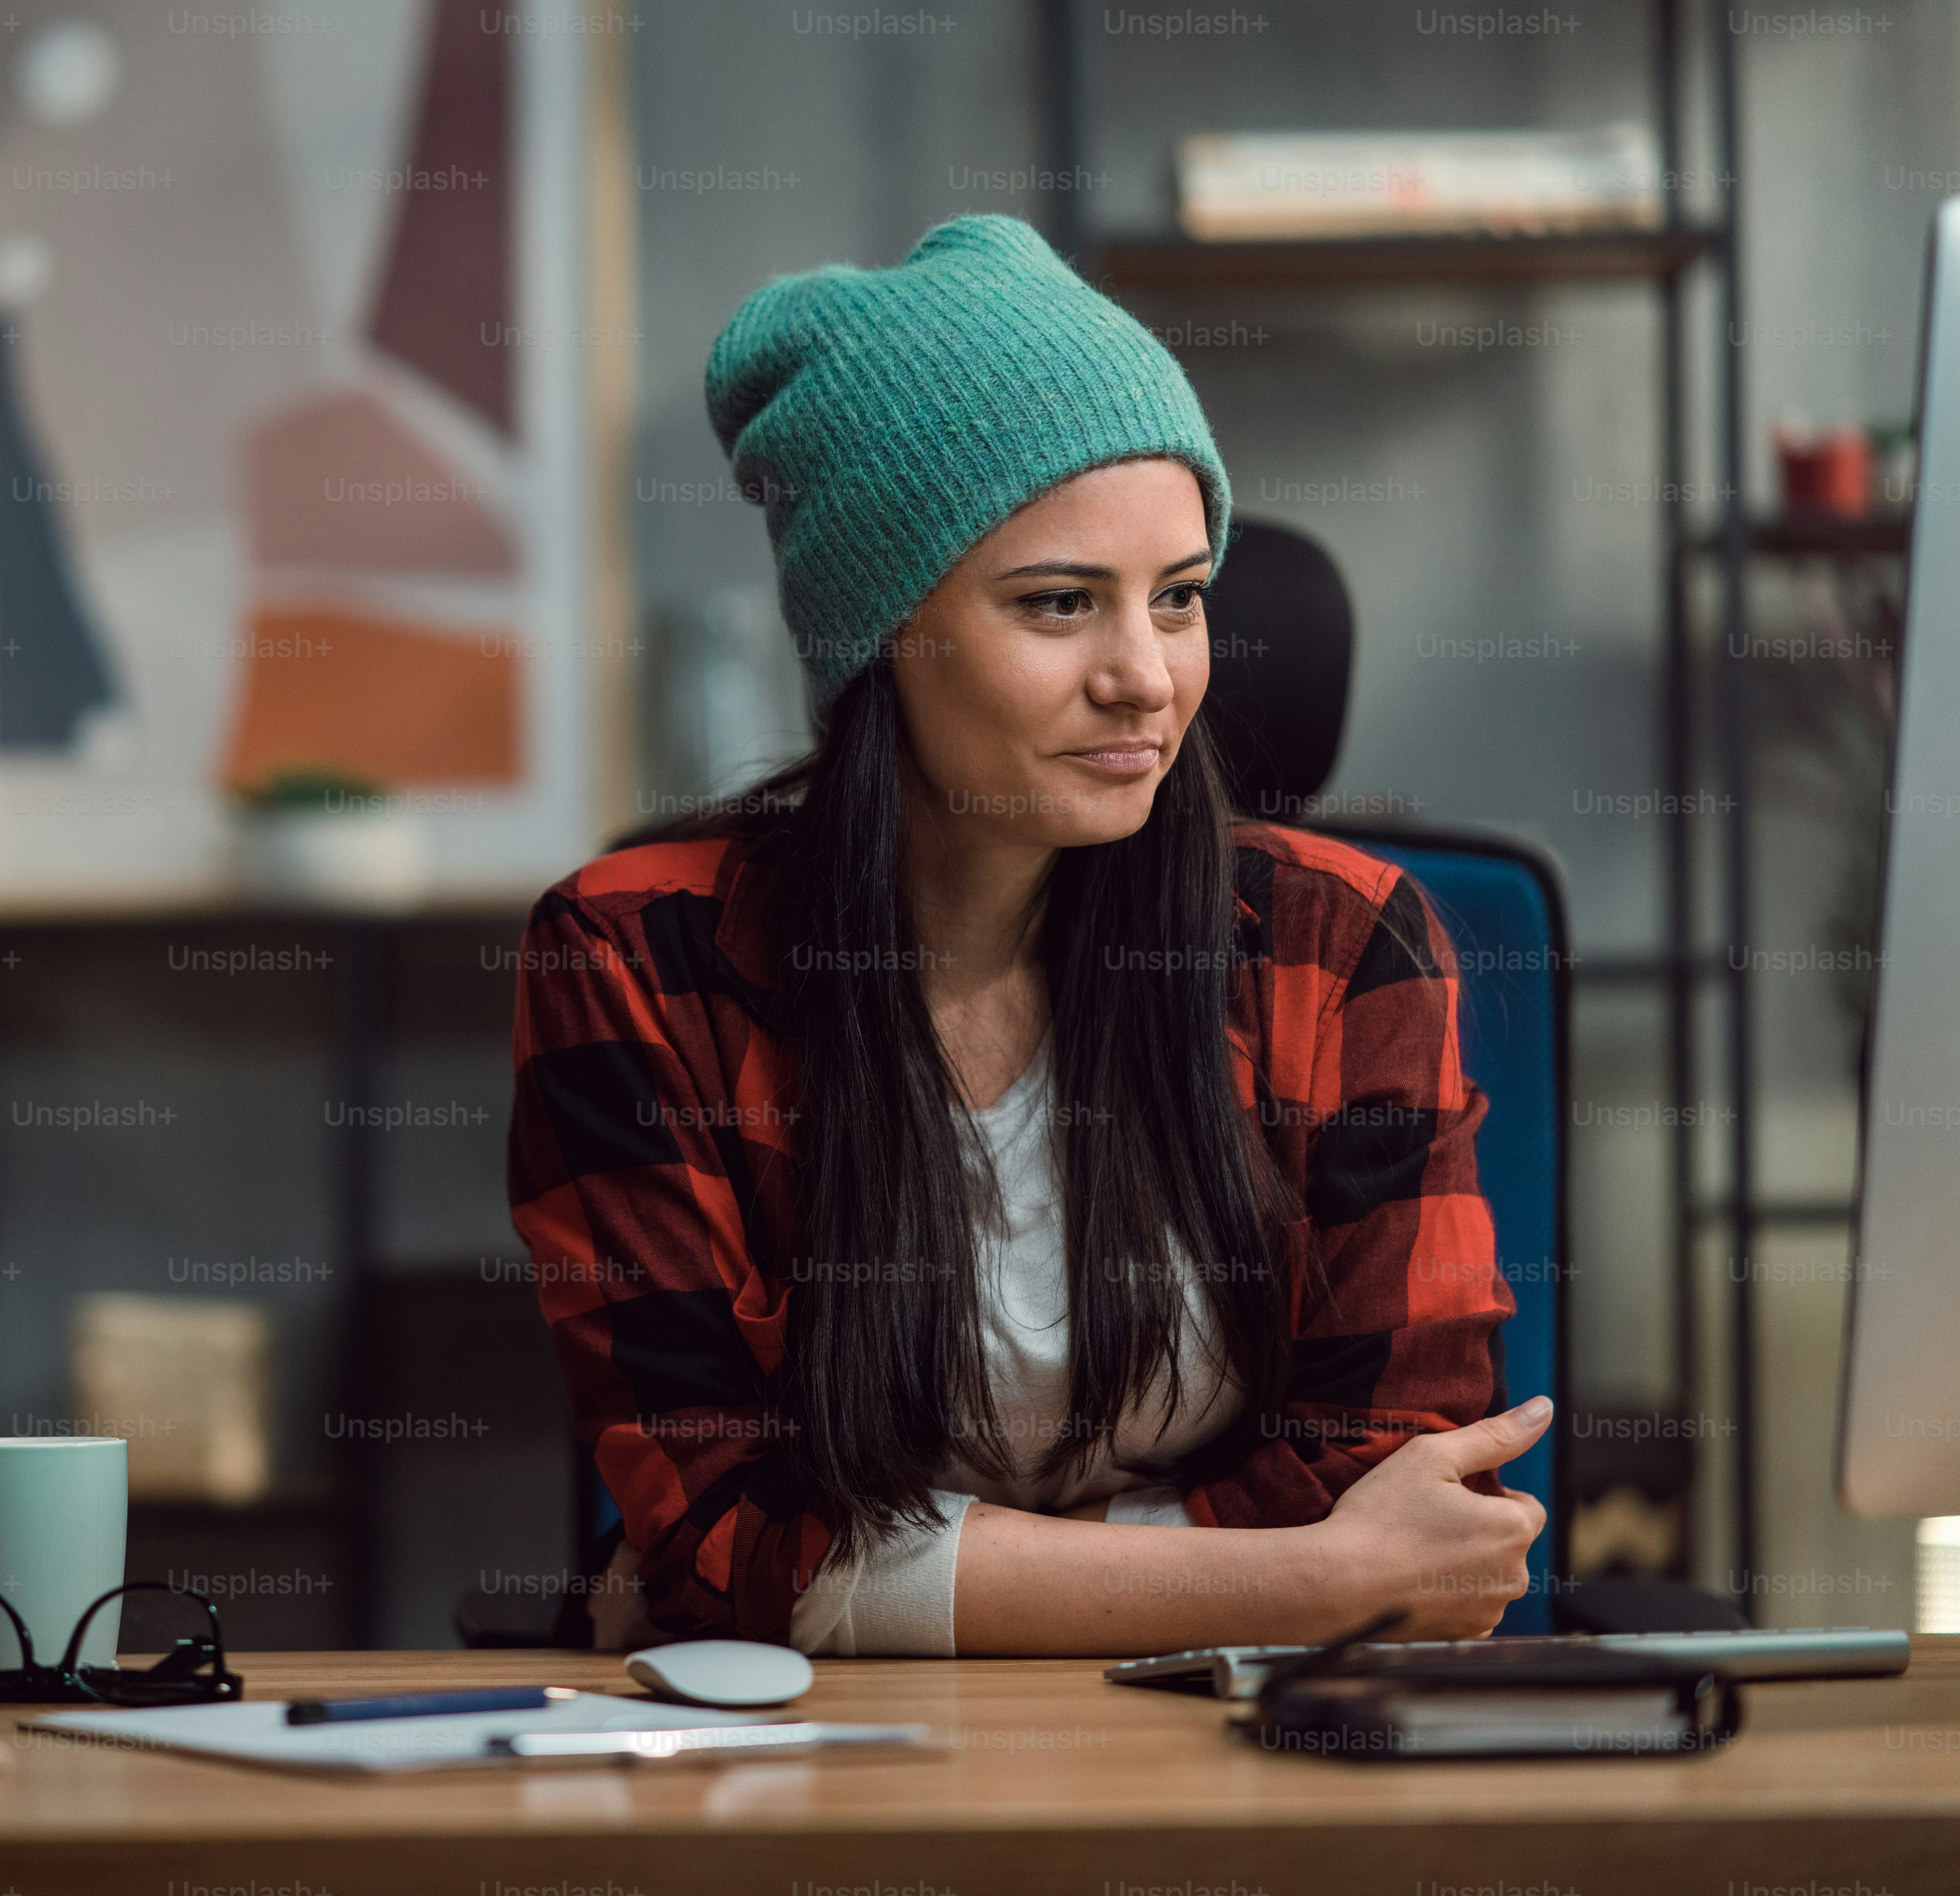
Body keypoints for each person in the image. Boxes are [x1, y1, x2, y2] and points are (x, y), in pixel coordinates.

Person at [506, 216, 1548, 1656]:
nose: (1145, 681)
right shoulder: (638, 962)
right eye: (1060, 605)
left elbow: (1408, 1484)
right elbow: (725, 1537)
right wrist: (1305, 1581)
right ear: (884, 638)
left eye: (1180, 601)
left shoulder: (1341, 944)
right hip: (824, 1776)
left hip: (1238, 1753)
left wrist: (885, 1582)